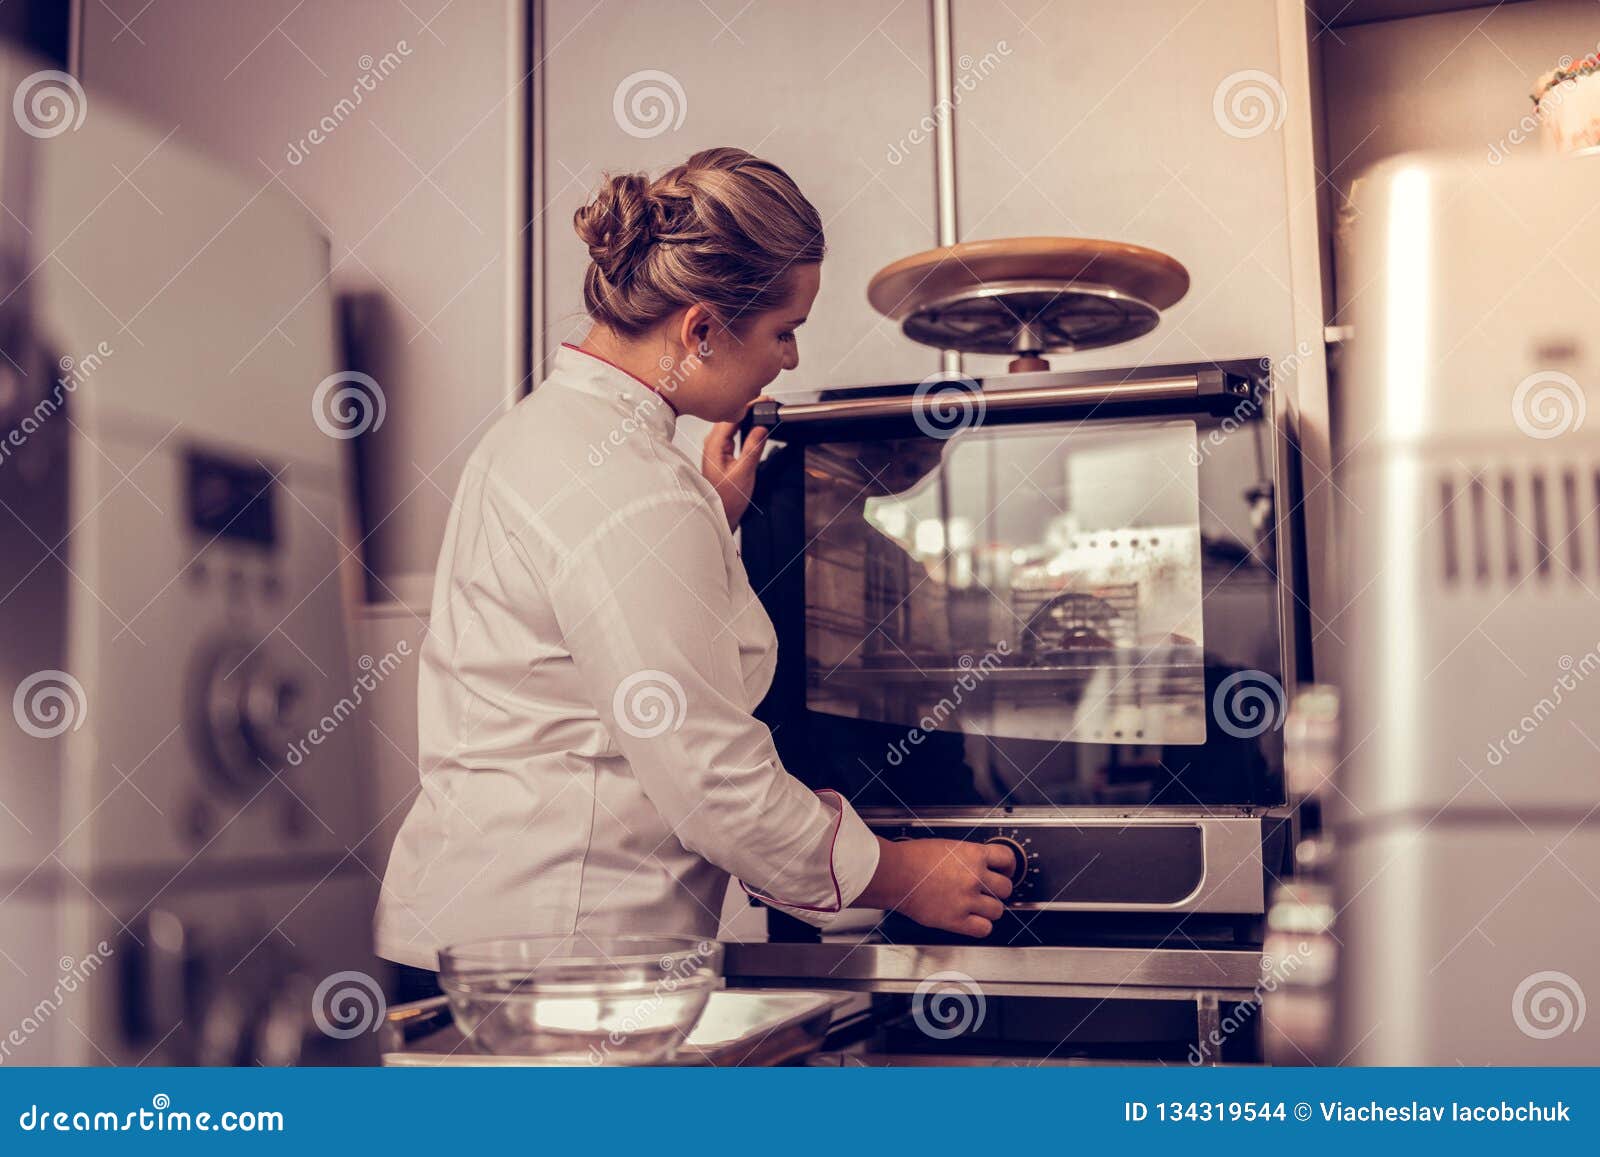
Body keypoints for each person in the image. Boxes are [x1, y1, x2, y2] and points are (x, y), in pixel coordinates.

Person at [375, 147, 1013, 989]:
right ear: (702, 329)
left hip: (471, 931)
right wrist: (901, 873)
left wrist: (709, 520)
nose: (788, 360)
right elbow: (713, 780)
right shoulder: (635, 492)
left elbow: (578, 640)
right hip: (553, 967)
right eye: (784, 332)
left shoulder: (542, 434)